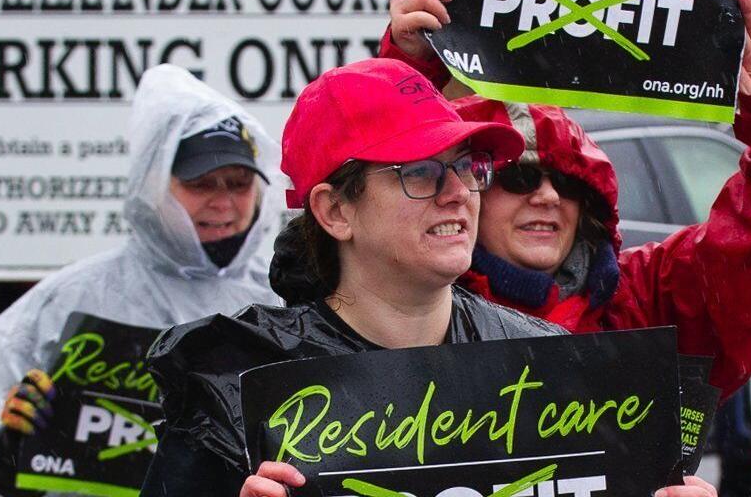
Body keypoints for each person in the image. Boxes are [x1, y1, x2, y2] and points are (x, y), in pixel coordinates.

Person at [139, 59, 717, 497]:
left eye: (467, 168)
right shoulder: (235, 382)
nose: (457, 195)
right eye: (419, 172)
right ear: (335, 211)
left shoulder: (546, 362)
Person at [382, 0, 751, 400]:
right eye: (519, 178)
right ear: (470, 188)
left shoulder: (641, 303)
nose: (547, 197)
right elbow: (371, 195)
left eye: (568, 184)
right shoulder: (410, 300)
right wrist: (409, 67)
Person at [0, 64, 286, 496]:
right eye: (200, 183)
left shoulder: (280, 303)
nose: (223, 202)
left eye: (239, 183)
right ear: (152, 186)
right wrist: (9, 450)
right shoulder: (74, 300)